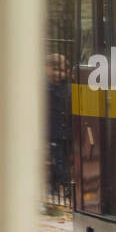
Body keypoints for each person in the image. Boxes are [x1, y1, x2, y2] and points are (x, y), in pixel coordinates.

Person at [45, 53, 72, 205]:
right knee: (57, 161)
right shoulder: (43, 87)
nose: (58, 74)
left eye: (61, 71)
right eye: (54, 69)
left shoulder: (67, 88)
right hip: (51, 131)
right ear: (46, 69)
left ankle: (58, 185)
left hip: (65, 131)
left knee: (63, 161)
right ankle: (63, 185)